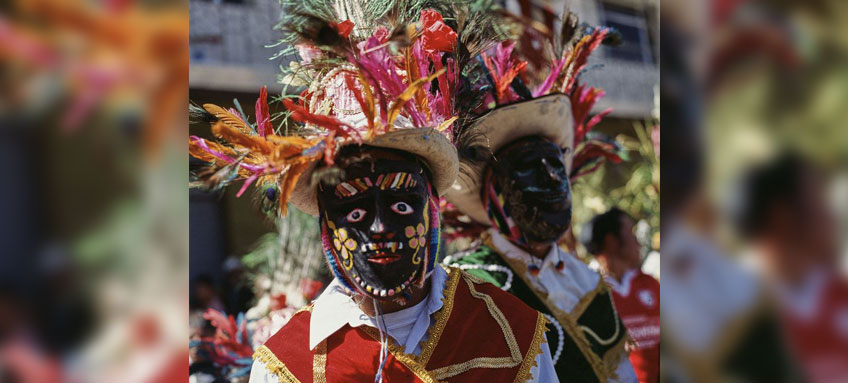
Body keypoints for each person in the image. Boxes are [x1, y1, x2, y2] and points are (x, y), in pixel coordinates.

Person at [189, 3, 556, 381]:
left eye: (401, 204)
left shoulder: (510, 332)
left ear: (431, 208)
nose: (380, 227)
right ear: (326, 222)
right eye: (355, 210)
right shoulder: (285, 366)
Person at [443, 19, 636, 383]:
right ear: (495, 193)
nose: (553, 178)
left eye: (555, 164)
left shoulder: (585, 280)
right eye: (530, 167)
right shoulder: (461, 284)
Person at [737, 154, 847, 382]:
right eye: (818, 202)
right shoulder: (741, 321)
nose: (831, 217)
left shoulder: (837, 291)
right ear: (782, 217)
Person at [581, 208, 659, 383]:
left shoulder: (650, 284)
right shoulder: (588, 293)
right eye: (631, 232)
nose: (637, 241)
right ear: (612, 241)